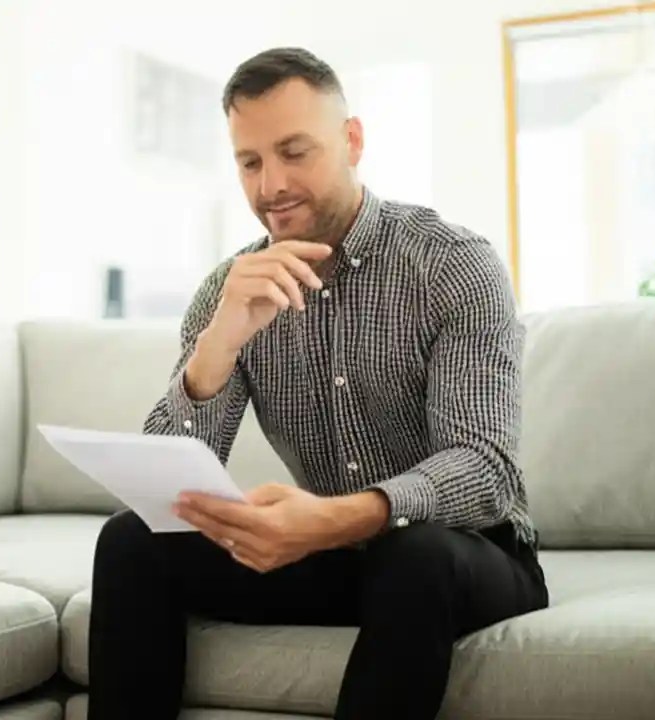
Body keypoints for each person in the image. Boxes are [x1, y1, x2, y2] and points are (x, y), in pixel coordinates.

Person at [88, 47, 549, 720]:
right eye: (250, 162)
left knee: (413, 555)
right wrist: (219, 344)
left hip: (466, 556)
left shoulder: (452, 265)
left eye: (294, 151)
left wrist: (330, 518)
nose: (271, 184)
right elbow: (162, 488)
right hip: (333, 558)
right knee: (132, 540)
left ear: (352, 140)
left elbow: (485, 473)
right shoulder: (231, 289)